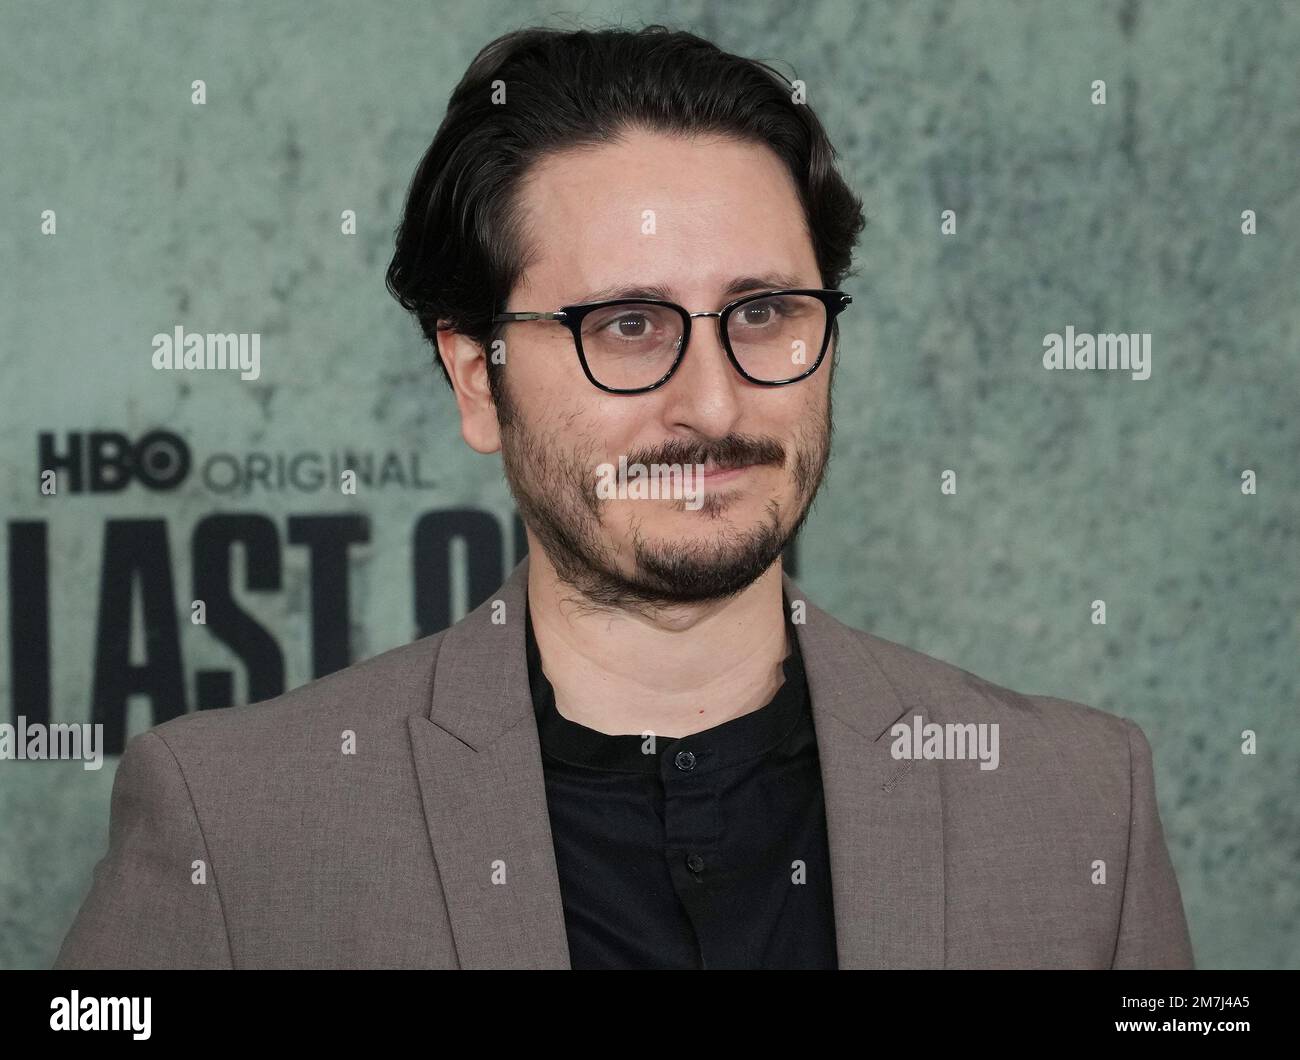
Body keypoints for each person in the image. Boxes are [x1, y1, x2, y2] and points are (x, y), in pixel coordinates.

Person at [55, 24, 1193, 969]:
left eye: (762, 313)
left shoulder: (1076, 804)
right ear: (475, 379)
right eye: (628, 326)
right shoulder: (237, 824)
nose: (712, 400)